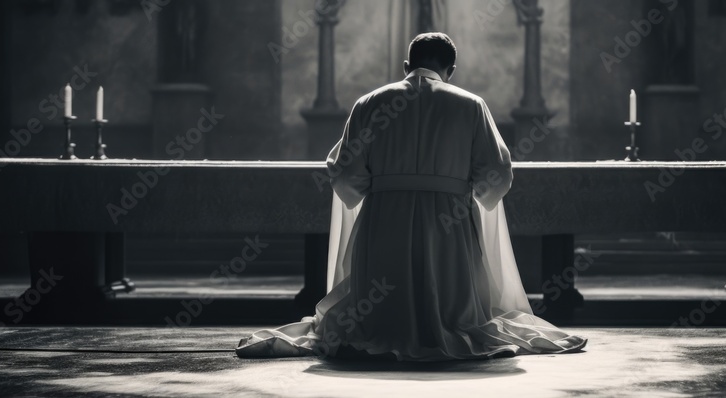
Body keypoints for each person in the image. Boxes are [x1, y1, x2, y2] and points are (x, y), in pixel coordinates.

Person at [236, 32, 586, 361]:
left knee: (379, 296)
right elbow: (497, 173)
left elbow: (345, 172)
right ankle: (447, 322)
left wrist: (378, 185)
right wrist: (468, 190)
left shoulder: (369, 103)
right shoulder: (471, 105)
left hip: (384, 218)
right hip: (448, 220)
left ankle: (384, 322)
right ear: (450, 70)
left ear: (406, 66)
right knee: (449, 297)